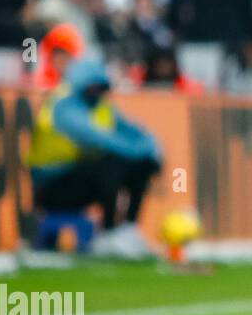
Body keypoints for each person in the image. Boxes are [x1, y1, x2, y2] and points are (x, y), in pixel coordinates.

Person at [26, 57, 163, 257]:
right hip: (52, 186)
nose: (96, 93)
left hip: (82, 182)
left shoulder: (103, 108)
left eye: (100, 88)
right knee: (110, 162)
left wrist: (152, 152)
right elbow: (100, 140)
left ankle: (127, 229)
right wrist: (139, 151)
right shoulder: (64, 108)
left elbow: (135, 132)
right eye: (92, 87)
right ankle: (107, 232)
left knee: (144, 165)